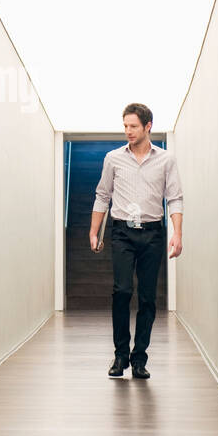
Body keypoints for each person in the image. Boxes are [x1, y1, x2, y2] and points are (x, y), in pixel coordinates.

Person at [89, 102, 183, 379]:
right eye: (125, 126)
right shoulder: (113, 159)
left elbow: (175, 198)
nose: (128, 131)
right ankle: (120, 356)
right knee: (121, 291)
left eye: (133, 126)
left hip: (153, 233)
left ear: (147, 127)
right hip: (121, 232)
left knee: (147, 298)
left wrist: (177, 233)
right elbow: (102, 195)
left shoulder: (166, 160)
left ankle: (139, 357)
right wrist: (94, 232)